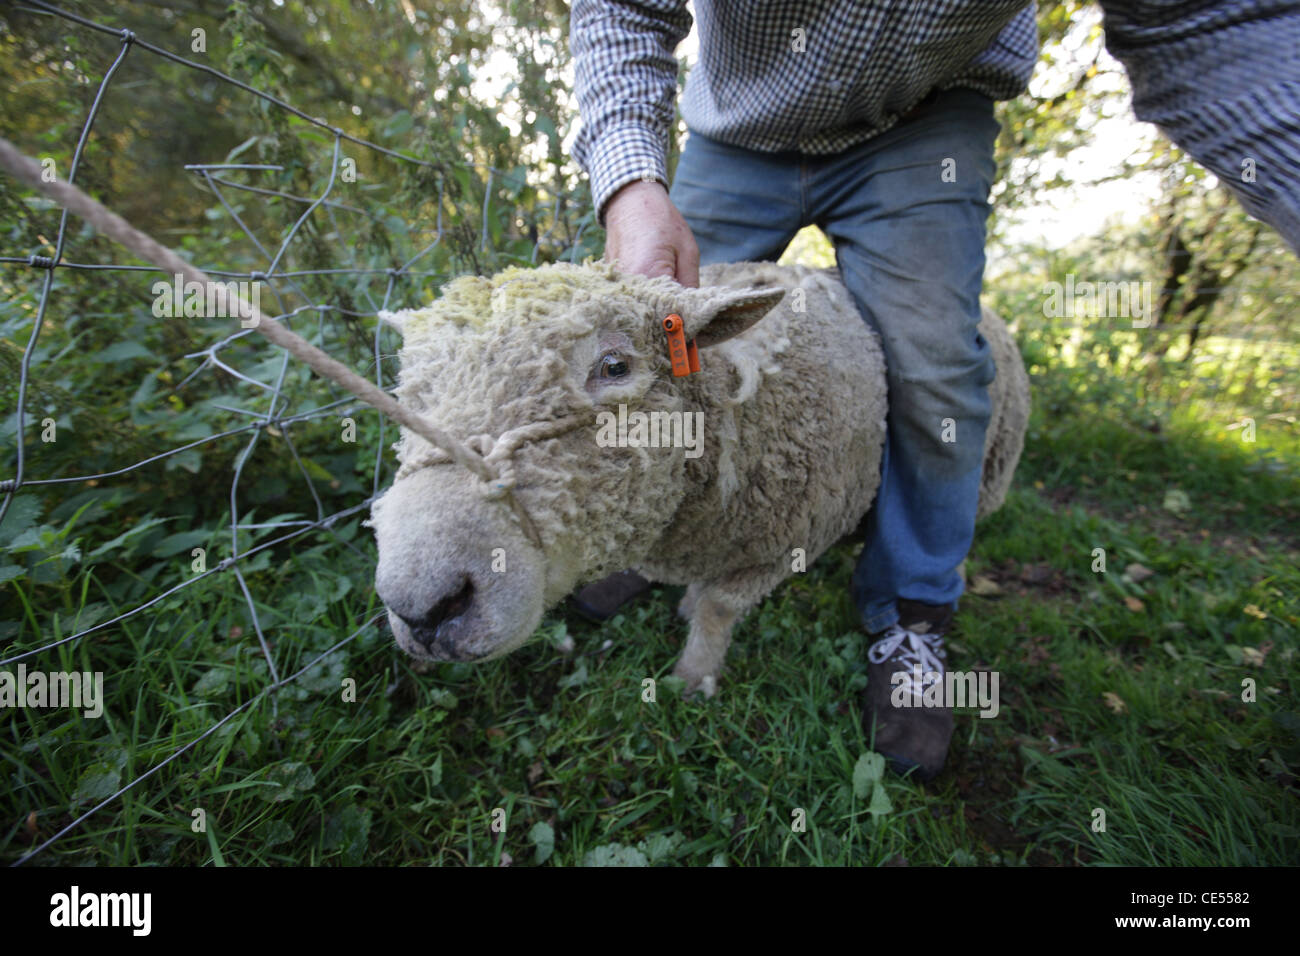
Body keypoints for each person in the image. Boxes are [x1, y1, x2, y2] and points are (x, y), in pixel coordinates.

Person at [568, 0, 1300, 779]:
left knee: (939, 368)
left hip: (922, 129)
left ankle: (909, 610)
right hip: (738, 125)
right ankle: (649, 539)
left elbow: (1208, 20)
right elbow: (621, 7)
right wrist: (631, 182)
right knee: (659, 344)